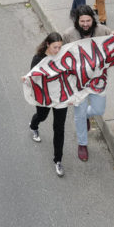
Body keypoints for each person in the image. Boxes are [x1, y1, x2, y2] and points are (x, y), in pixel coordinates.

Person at [67, 5, 111, 161]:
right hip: (78, 83)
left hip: (98, 80)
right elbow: (58, 54)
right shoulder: (69, 35)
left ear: (93, 19)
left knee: (98, 110)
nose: (85, 24)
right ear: (77, 21)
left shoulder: (103, 31)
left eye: (88, 20)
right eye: (82, 21)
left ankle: (85, 116)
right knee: (79, 114)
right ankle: (82, 143)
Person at [27, 33, 68, 177]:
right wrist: (27, 79)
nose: (58, 50)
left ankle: (58, 160)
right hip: (45, 97)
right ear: (47, 45)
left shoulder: (63, 57)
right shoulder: (38, 59)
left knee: (59, 128)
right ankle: (33, 125)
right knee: (42, 116)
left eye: (59, 47)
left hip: (60, 98)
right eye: (55, 47)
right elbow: (33, 77)